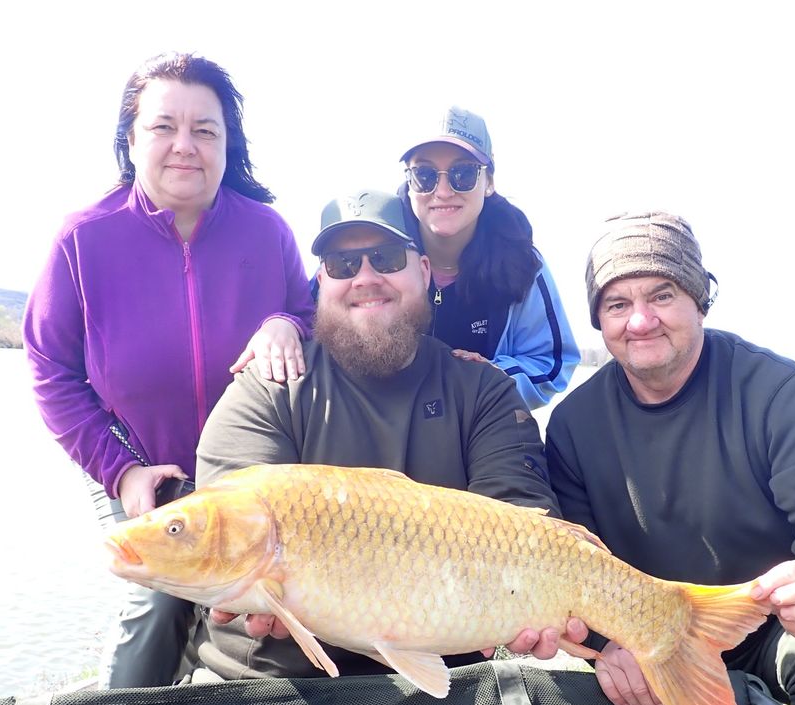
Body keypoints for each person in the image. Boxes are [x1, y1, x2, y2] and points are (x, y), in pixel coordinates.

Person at [543, 211, 795, 705]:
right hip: (652, 638)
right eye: (617, 305)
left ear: (700, 299)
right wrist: (605, 646)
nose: (640, 321)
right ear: (600, 321)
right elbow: (570, 566)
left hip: (766, 625)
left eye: (662, 295)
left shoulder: (774, 389)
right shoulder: (573, 423)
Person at [191, 189, 581, 679]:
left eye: (386, 258)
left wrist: (536, 609)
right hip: (268, 685)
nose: (366, 278)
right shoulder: (267, 386)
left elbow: (526, 524)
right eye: (342, 263)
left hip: (439, 691)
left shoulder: (483, 390)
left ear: (423, 271)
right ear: (319, 283)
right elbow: (222, 533)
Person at [23, 52, 315, 689]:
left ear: (227, 144)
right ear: (131, 140)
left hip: (254, 484)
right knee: (157, 605)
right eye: (164, 127)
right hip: (142, 472)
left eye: (205, 130)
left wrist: (288, 324)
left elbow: (313, 314)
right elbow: (51, 371)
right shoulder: (83, 240)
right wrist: (120, 471)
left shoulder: (268, 233)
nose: (185, 146)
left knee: (268, 618)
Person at [395, 105, 580, 410]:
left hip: (477, 432)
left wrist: (492, 377)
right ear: (409, 181)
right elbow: (316, 314)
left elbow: (553, 362)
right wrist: (287, 324)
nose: (442, 191)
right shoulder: (374, 248)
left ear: (489, 181)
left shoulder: (522, 263)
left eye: (463, 173)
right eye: (425, 175)